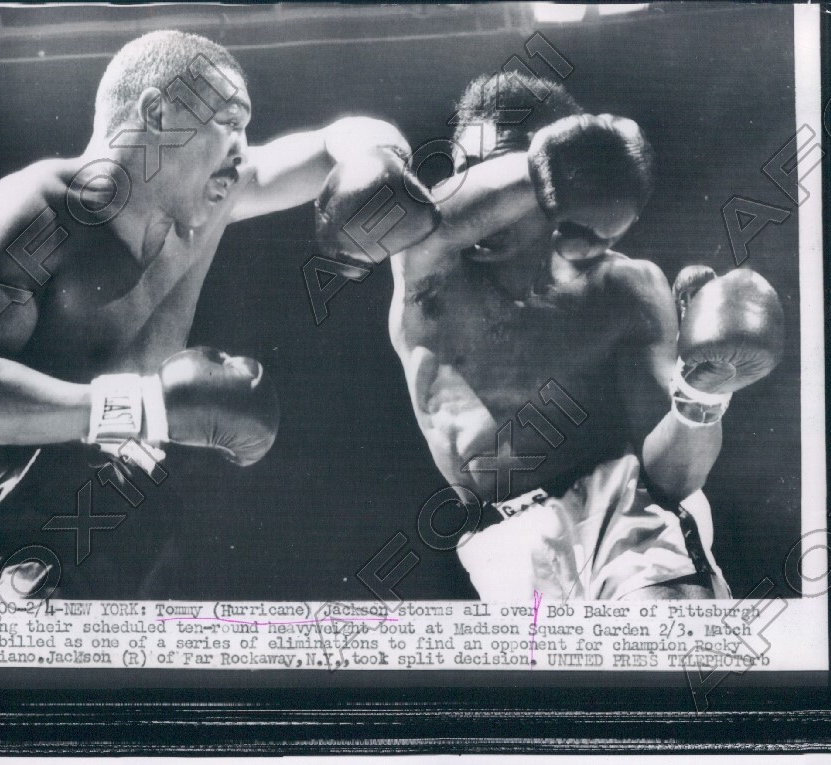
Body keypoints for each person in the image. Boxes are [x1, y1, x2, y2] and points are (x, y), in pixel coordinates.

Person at [0, 30, 437, 600]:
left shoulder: (215, 197)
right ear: (157, 112)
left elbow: (339, 138)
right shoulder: (36, 215)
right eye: (228, 121)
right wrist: (144, 407)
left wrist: (378, 161)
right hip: (12, 497)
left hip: (133, 486)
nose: (243, 149)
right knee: (18, 681)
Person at [316, 72, 784, 600]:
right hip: (503, 543)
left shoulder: (624, 285)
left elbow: (673, 480)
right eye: (465, 173)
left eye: (504, 173)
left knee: (667, 660)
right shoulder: (429, 273)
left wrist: (701, 396)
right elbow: (438, 218)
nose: (477, 194)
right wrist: (555, 163)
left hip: (626, 511)